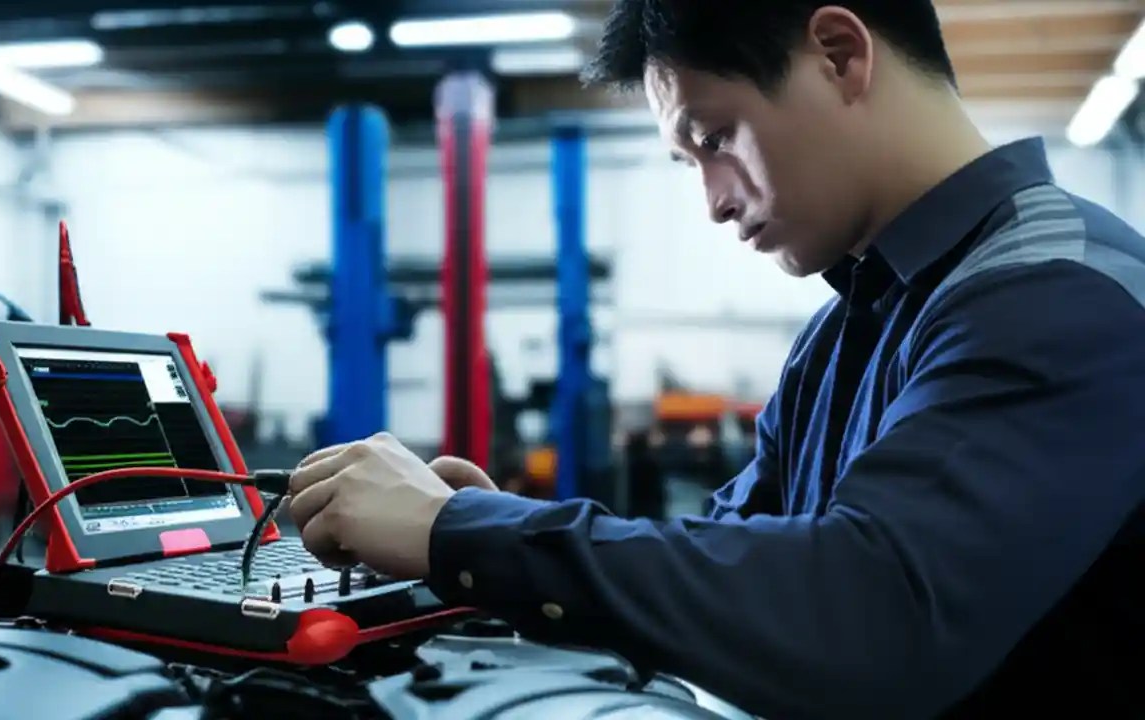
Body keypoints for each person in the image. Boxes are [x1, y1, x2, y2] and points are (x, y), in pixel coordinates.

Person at [286, 1, 1145, 717]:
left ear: (840, 55)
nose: (714, 201)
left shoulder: (1060, 292)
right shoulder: (848, 330)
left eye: (717, 136)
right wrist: (494, 541)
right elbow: (729, 563)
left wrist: (464, 535)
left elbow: (873, 616)